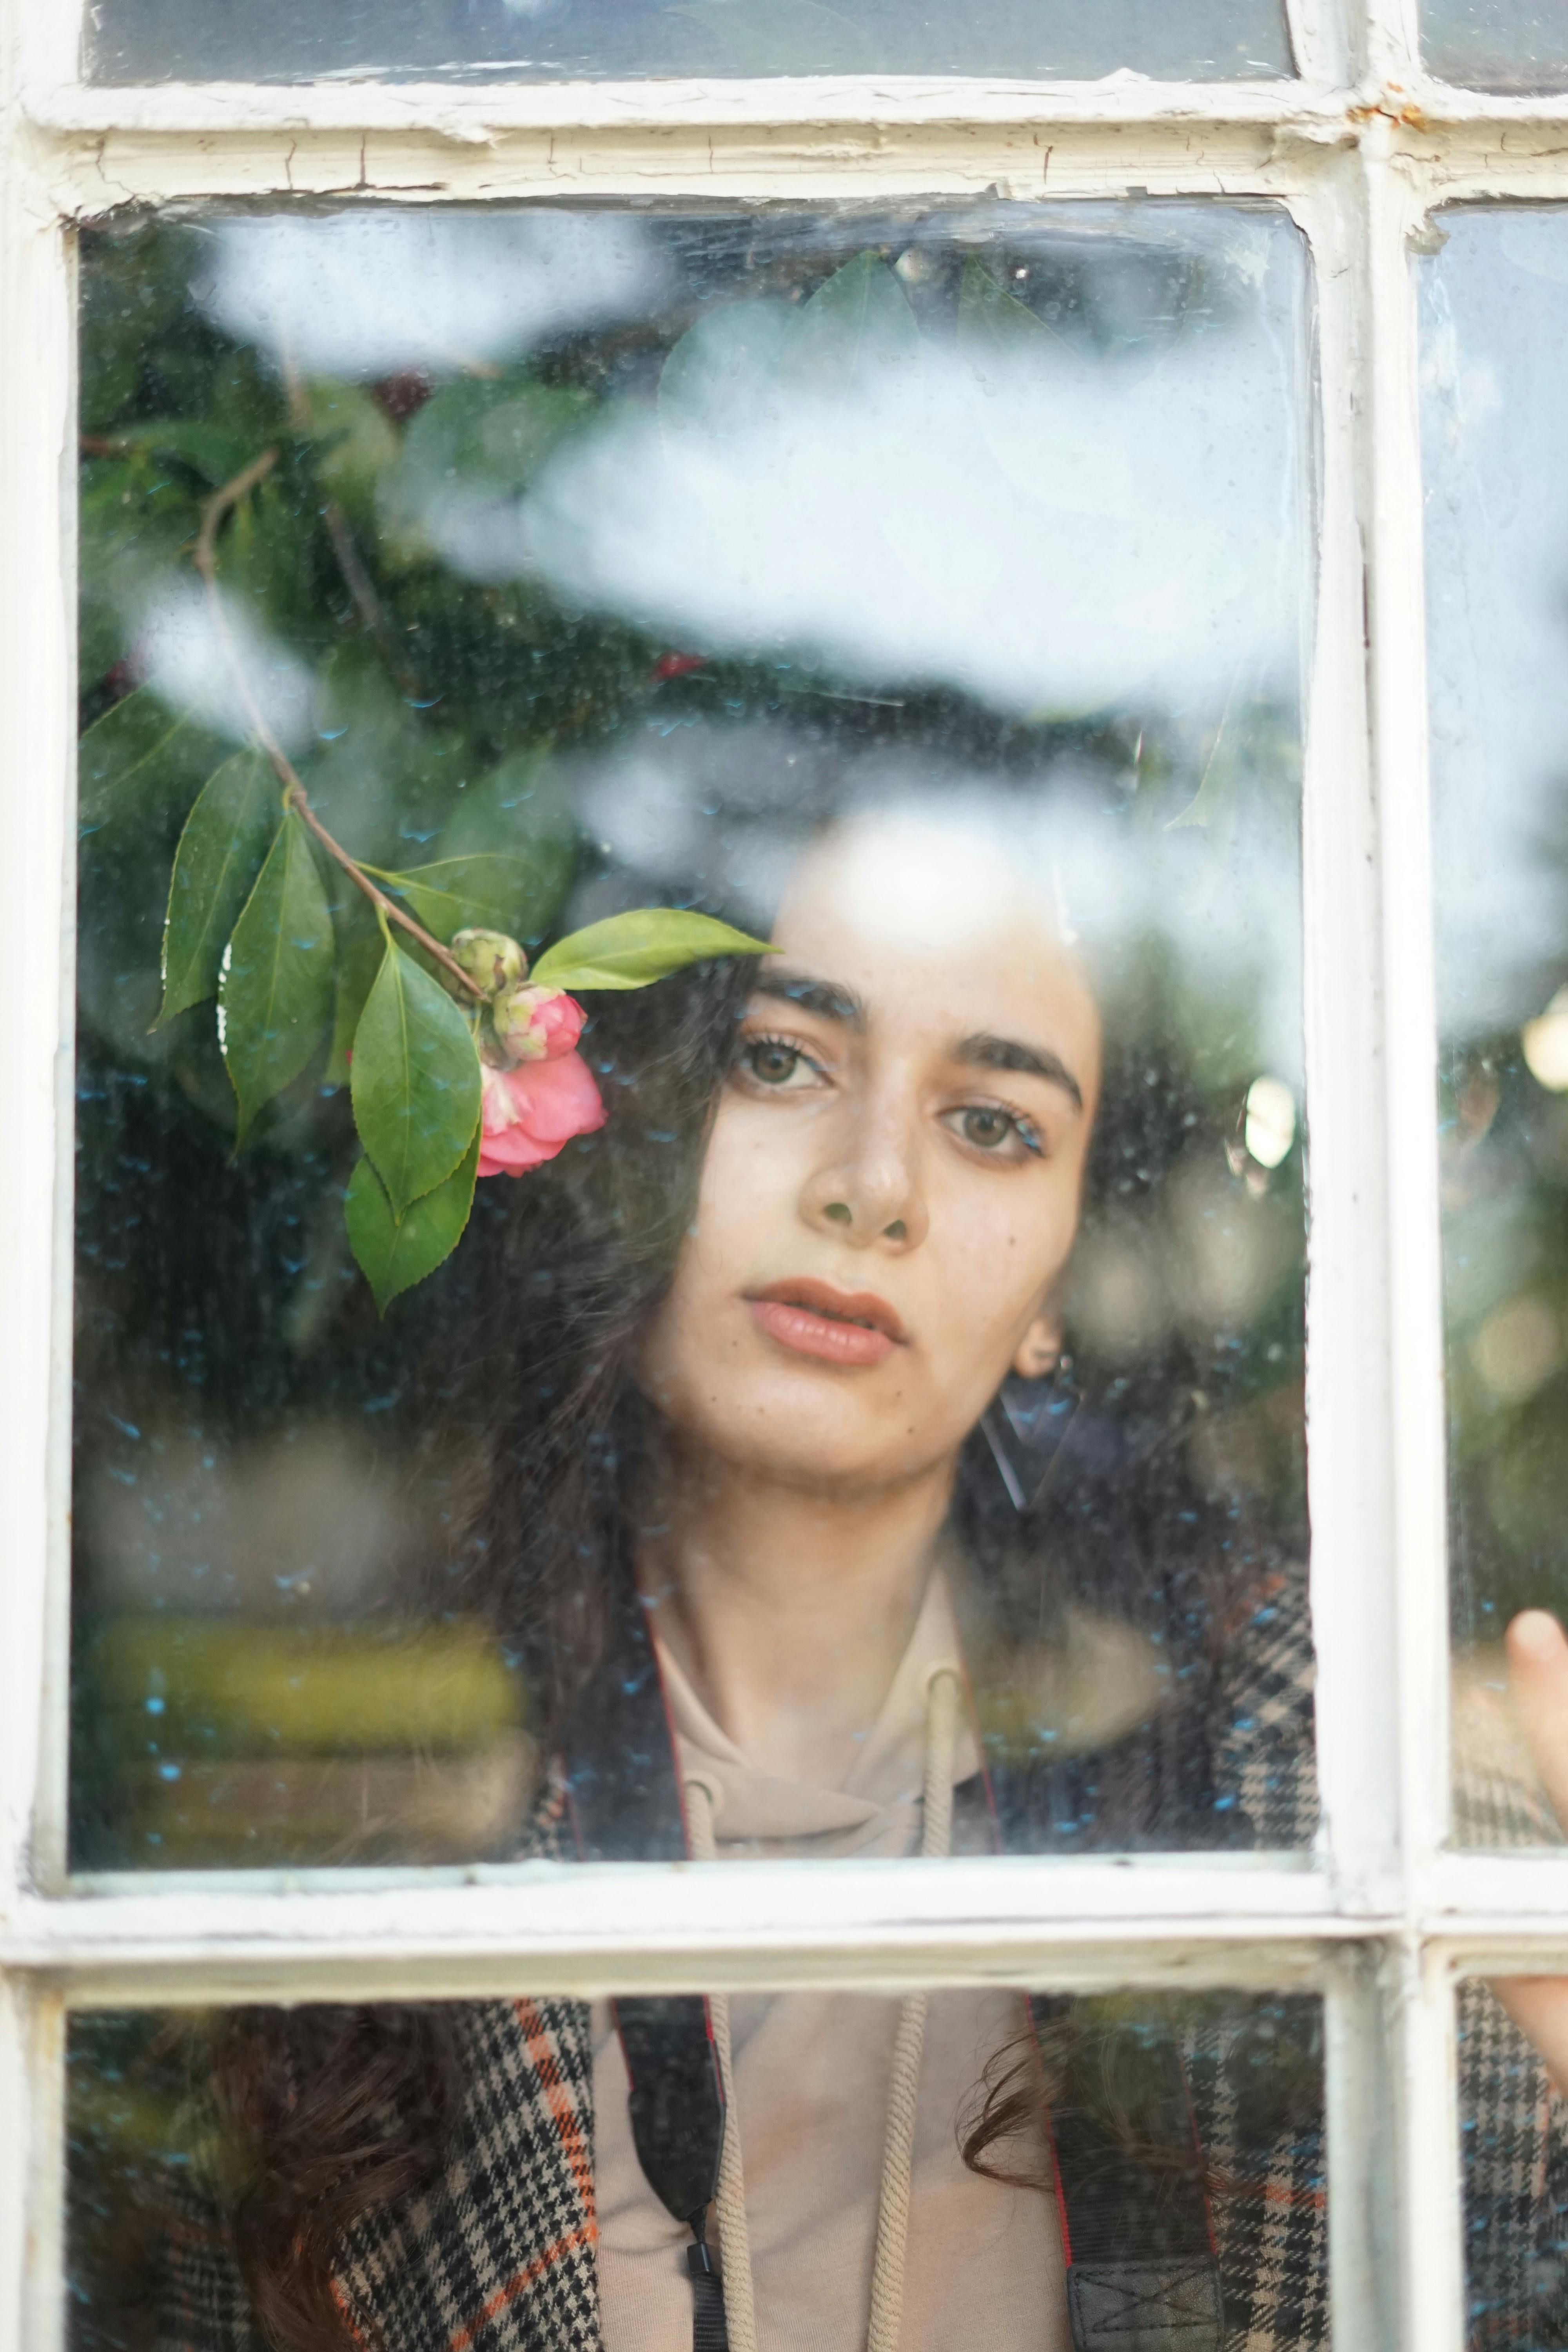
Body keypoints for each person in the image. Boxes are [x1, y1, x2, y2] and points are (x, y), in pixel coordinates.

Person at [160, 798, 1568, 2352]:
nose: (873, 1186)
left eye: (995, 1124)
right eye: (779, 1060)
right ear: (634, 1136)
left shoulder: (1355, 1834)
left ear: (1054, 1290)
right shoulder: (350, 1846)